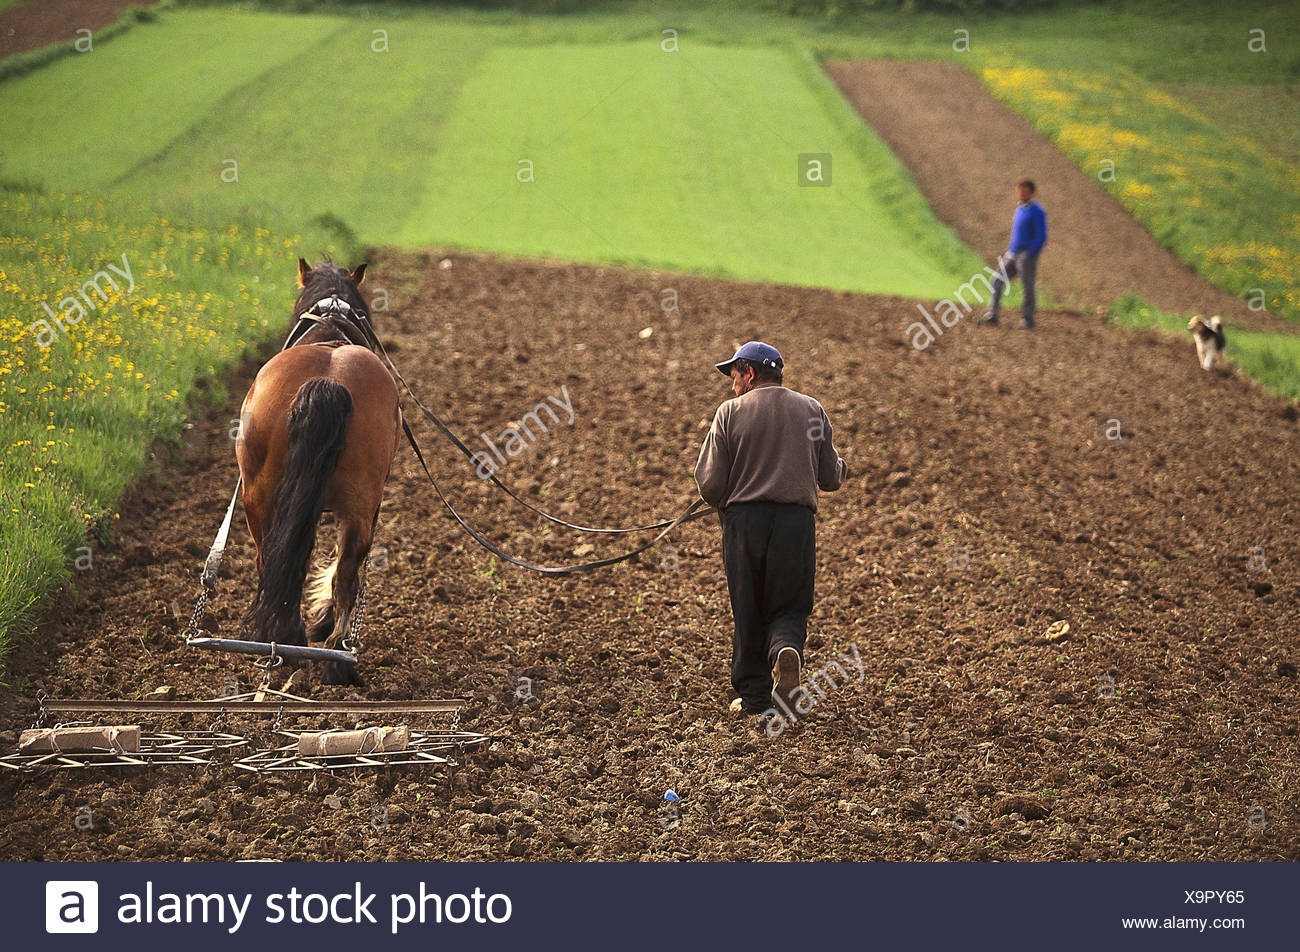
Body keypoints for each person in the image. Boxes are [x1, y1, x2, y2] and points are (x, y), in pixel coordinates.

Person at [694, 341, 848, 719]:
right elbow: (830, 478)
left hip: (744, 525)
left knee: (748, 608)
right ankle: (785, 649)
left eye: (734, 377)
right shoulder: (813, 409)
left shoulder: (729, 413)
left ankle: (756, 699)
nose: (732, 386)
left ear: (749, 374)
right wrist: (842, 467)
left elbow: (710, 485)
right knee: (790, 605)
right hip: (795, 524)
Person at [981, 179, 1047, 329]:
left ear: (1031, 192)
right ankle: (993, 314)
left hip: (1027, 256)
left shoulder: (1037, 211)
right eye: (1019, 190)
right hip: (1012, 254)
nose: (1020, 194)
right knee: (996, 280)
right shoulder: (1019, 209)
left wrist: (1029, 253)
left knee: (1027, 286)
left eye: (1023, 191)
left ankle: (1028, 320)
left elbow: (1041, 236)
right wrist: (1011, 250)